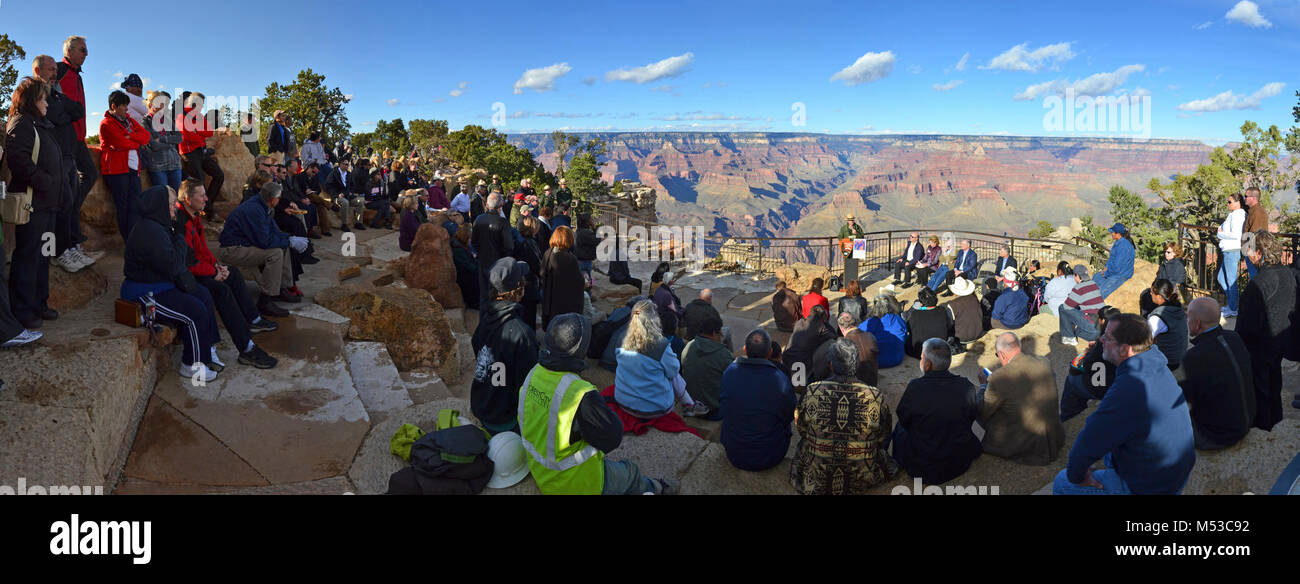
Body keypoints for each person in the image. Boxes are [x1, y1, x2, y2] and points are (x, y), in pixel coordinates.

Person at [518, 313, 679, 495]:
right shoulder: (579, 393)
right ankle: (658, 488)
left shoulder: (533, 373)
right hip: (573, 482)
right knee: (630, 472)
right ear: (580, 350)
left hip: (540, 471)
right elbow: (612, 437)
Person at [1053, 314, 1196, 495]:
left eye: (1108, 337)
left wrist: (1077, 476)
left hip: (1153, 486)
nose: (1101, 340)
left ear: (1125, 349)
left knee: (1062, 481)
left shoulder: (1128, 390)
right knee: (1110, 450)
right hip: (1175, 470)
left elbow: (1087, 443)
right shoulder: (1155, 363)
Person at [174, 180, 279, 368]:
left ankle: (253, 319)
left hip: (197, 269)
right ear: (188, 199)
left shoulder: (193, 216)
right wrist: (213, 272)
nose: (207, 198)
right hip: (185, 276)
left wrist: (217, 266)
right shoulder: (181, 223)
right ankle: (246, 348)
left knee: (233, 274)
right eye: (202, 195)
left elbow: (202, 249)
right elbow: (188, 262)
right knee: (222, 291)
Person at [121, 185, 219, 384]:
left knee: (203, 294)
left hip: (159, 284)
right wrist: (181, 239)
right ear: (159, 206)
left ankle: (207, 348)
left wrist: (177, 239)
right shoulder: (150, 230)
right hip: (143, 292)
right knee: (195, 311)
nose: (175, 207)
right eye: (170, 204)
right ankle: (192, 365)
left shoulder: (158, 225)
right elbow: (175, 265)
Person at [789, 338, 896, 494]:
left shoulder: (812, 391)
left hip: (816, 477)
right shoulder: (874, 396)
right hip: (860, 477)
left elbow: (802, 428)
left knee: (803, 446)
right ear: (857, 364)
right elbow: (882, 436)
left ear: (831, 365)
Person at [5, 76, 65, 330]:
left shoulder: (40, 124)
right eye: (42, 99)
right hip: (33, 205)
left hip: (48, 206)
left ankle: (39, 303)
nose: (47, 104)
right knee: (28, 257)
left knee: (43, 255)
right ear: (31, 100)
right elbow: (18, 160)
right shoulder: (21, 123)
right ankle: (22, 309)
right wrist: (44, 181)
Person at [891, 338, 982, 485]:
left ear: (927, 364)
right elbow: (971, 416)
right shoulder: (966, 386)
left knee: (899, 428)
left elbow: (904, 419)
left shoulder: (915, 388)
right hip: (959, 462)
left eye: (921, 357)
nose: (921, 360)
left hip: (923, 469)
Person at [31, 55, 91, 275]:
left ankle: (69, 247)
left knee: (69, 204)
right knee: (60, 206)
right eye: (50, 69)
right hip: (52, 160)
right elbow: (54, 115)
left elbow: (78, 110)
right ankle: (59, 252)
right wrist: (62, 113)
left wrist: (62, 113)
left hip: (68, 155)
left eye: (56, 69)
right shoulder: (35, 91)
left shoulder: (55, 91)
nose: (55, 73)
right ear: (38, 70)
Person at [470, 258, 540, 435]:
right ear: (519, 288)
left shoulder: (485, 320)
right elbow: (529, 385)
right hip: (505, 419)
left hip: (482, 404)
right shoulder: (522, 334)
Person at [1177, 297, 1255, 450]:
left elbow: (1186, 398)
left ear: (1197, 323)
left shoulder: (1194, 356)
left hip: (1216, 435)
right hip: (1247, 420)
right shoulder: (1234, 338)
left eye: (1188, 317)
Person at [217, 182, 306, 314]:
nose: (280, 199)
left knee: (284, 246)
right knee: (275, 253)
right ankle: (265, 300)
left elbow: (273, 231)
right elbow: (264, 241)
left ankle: (281, 288)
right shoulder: (255, 210)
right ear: (273, 199)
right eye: (279, 197)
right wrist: (289, 240)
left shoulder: (262, 205)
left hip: (244, 244)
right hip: (232, 249)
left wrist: (288, 239)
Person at [1237, 231, 1294, 431]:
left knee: (1259, 390)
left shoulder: (1259, 283)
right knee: (1274, 385)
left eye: (1250, 249)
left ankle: (1262, 429)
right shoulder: (1287, 273)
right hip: (1279, 340)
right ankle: (1276, 423)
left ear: (1259, 253)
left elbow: (1246, 324)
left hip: (1259, 346)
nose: (1248, 254)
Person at [977, 333, 1064, 465]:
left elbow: (983, 411)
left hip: (1025, 444)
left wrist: (984, 386)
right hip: (1052, 438)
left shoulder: (999, 377)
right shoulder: (1044, 361)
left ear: (1001, 355)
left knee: (979, 407)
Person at [718, 329, 796, 470]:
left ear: (745, 350)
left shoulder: (729, 373)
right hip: (771, 455)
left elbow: (724, 406)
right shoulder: (780, 379)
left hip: (735, 452)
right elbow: (789, 415)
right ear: (770, 353)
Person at [614, 300, 696, 418]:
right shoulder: (660, 344)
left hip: (623, 401)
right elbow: (673, 370)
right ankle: (689, 404)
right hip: (654, 408)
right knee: (672, 373)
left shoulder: (622, 337)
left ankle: (689, 404)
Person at [56, 36, 99, 257]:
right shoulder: (59, 70)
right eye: (83, 49)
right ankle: (69, 243)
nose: (86, 54)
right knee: (69, 190)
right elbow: (50, 99)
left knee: (91, 174)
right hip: (66, 138)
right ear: (70, 50)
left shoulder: (76, 75)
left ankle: (73, 225)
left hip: (80, 139)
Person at [99, 90, 151, 240]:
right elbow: (121, 142)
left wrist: (131, 136)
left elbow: (146, 137)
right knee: (123, 207)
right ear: (114, 106)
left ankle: (135, 238)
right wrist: (135, 141)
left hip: (133, 169)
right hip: (116, 171)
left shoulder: (129, 121)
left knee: (135, 205)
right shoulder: (106, 124)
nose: (127, 109)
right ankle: (129, 240)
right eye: (124, 106)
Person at [1059, 306, 1121, 421]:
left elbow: (1086, 365)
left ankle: (1068, 418)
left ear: (1103, 320)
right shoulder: (1128, 338)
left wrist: (1087, 353)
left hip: (1102, 387)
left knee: (1071, 380)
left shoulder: (1105, 341)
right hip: (1119, 383)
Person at [177, 92, 226, 221]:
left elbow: (209, 132)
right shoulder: (182, 116)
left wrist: (196, 132)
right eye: (200, 104)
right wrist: (199, 135)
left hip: (201, 152)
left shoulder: (199, 116)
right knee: (198, 183)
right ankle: (205, 213)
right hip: (189, 153)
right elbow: (186, 135)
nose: (202, 107)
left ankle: (206, 206)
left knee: (219, 175)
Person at [680, 315, 731, 420]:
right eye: (720, 333)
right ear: (713, 334)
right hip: (714, 411)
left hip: (691, 405)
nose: (721, 336)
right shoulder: (722, 354)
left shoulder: (688, 346)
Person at [471, 193, 515, 305]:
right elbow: (509, 246)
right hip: (498, 263)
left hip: (483, 261)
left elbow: (473, 242)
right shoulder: (502, 222)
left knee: (484, 295)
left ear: (487, 204)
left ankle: (484, 320)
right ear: (500, 205)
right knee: (497, 296)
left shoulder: (479, 219)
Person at [814, 312, 879, 386]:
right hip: (872, 382)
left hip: (855, 385)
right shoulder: (871, 336)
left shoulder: (843, 345)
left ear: (841, 328)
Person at [541, 225, 585, 331]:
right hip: (564, 305)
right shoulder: (569, 258)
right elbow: (579, 282)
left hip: (549, 302)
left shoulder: (548, 253)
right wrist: (589, 281)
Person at [141, 90, 183, 192]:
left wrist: (163, 139)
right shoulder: (145, 122)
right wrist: (171, 143)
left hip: (175, 165)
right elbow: (154, 145)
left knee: (176, 198)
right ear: (151, 104)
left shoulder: (167, 120)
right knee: (163, 198)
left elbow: (179, 138)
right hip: (158, 166)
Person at [783, 304, 838, 381]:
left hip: (787, 358)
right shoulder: (821, 327)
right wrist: (826, 323)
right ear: (823, 317)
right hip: (803, 364)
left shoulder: (799, 322)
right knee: (831, 343)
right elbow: (834, 336)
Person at [1142, 278, 1188, 370]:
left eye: (1151, 292)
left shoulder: (1157, 317)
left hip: (1167, 362)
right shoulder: (1178, 308)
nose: (1150, 294)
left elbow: (1145, 341)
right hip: (1180, 357)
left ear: (1159, 296)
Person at [1216, 192, 1247, 317]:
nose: (1227, 204)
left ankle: (1233, 308)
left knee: (1231, 280)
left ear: (1238, 202)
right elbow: (1221, 227)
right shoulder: (1234, 214)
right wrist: (1220, 230)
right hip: (1228, 250)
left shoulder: (1238, 215)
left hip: (1232, 250)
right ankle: (1231, 304)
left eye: (1230, 202)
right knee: (1221, 278)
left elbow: (1236, 235)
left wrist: (1220, 234)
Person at [1058, 264, 1105, 345]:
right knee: (1078, 329)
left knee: (1062, 308)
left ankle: (1069, 338)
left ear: (1076, 276)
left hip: (1092, 327)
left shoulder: (1078, 287)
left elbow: (1067, 306)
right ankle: (1095, 338)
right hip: (1102, 328)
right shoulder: (1093, 284)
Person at [903, 287, 952, 358]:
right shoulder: (943, 311)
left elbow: (909, 330)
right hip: (940, 350)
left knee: (907, 339)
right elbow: (949, 326)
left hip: (919, 352)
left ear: (921, 303)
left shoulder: (915, 314)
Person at [515, 216, 545, 331]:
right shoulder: (529, 243)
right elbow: (536, 264)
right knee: (529, 315)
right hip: (529, 283)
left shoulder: (520, 240)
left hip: (523, 281)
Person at [1141, 242, 1187, 314]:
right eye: (1165, 251)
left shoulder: (1178, 266)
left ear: (1175, 253)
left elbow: (1174, 283)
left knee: (1150, 297)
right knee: (1145, 293)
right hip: (1161, 288)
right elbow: (1158, 278)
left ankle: (1152, 316)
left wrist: (1158, 290)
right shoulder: (1164, 264)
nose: (1166, 253)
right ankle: (1147, 318)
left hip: (1169, 292)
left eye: (1168, 252)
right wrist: (1153, 287)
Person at [862, 293, 906, 368]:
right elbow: (904, 334)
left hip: (875, 360)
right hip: (896, 357)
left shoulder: (870, 322)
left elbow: (858, 334)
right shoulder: (897, 319)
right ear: (889, 305)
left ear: (875, 306)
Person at [1092, 223, 1135, 299]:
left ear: (1118, 234)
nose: (1111, 234)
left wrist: (1106, 273)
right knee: (1095, 278)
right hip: (1113, 272)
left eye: (1112, 232)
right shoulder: (1119, 242)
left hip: (1120, 275)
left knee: (1099, 295)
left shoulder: (1123, 246)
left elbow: (1117, 267)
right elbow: (1112, 259)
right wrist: (1106, 268)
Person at [324, 159, 361, 232]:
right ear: (341, 164)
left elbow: (353, 186)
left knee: (360, 201)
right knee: (345, 203)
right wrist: (337, 194)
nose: (347, 166)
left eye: (348, 164)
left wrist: (350, 192)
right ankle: (344, 224)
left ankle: (358, 223)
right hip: (337, 196)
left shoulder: (349, 174)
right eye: (346, 164)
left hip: (348, 195)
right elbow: (328, 186)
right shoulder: (333, 173)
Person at [945, 277, 984, 343]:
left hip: (961, 338)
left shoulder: (952, 304)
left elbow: (949, 324)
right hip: (978, 334)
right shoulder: (975, 299)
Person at [450, 227, 480, 309]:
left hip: (465, 272)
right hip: (464, 276)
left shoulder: (458, 244)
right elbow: (467, 265)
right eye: (469, 238)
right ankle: (474, 303)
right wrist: (478, 267)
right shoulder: (458, 249)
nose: (470, 240)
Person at [1242, 187, 1268, 278]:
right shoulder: (1254, 211)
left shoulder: (1257, 212)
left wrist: (1249, 250)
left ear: (1253, 198)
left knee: (1255, 278)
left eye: (1246, 196)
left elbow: (1254, 233)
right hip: (1254, 250)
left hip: (1254, 251)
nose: (1244, 198)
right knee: (1256, 277)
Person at [838, 213, 866, 282]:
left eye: (852, 220)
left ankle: (855, 281)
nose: (851, 221)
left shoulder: (857, 227)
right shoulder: (843, 228)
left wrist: (856, 233)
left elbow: (862, 237)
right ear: (847, 221)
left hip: (856, 248)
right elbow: (840, 237)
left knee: (855, 265)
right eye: (850, 220)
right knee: (848, 265)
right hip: (847, 249)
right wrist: (845, 242)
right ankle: (847, 281)